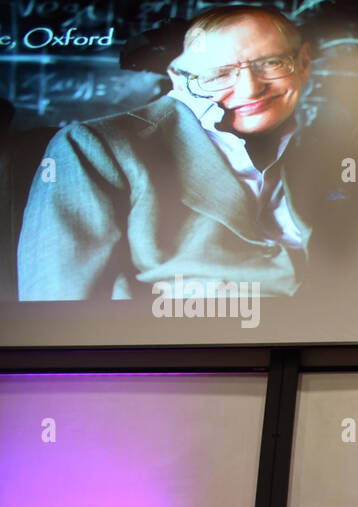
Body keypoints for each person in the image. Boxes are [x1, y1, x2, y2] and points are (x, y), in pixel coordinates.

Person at [17, 5, 312, 300]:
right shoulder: (92, 145)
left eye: (272, 63)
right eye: (218, 74)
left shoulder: (333, 150)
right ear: (181, 78)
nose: (249, 89)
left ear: (304, 62)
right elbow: (60, 306)